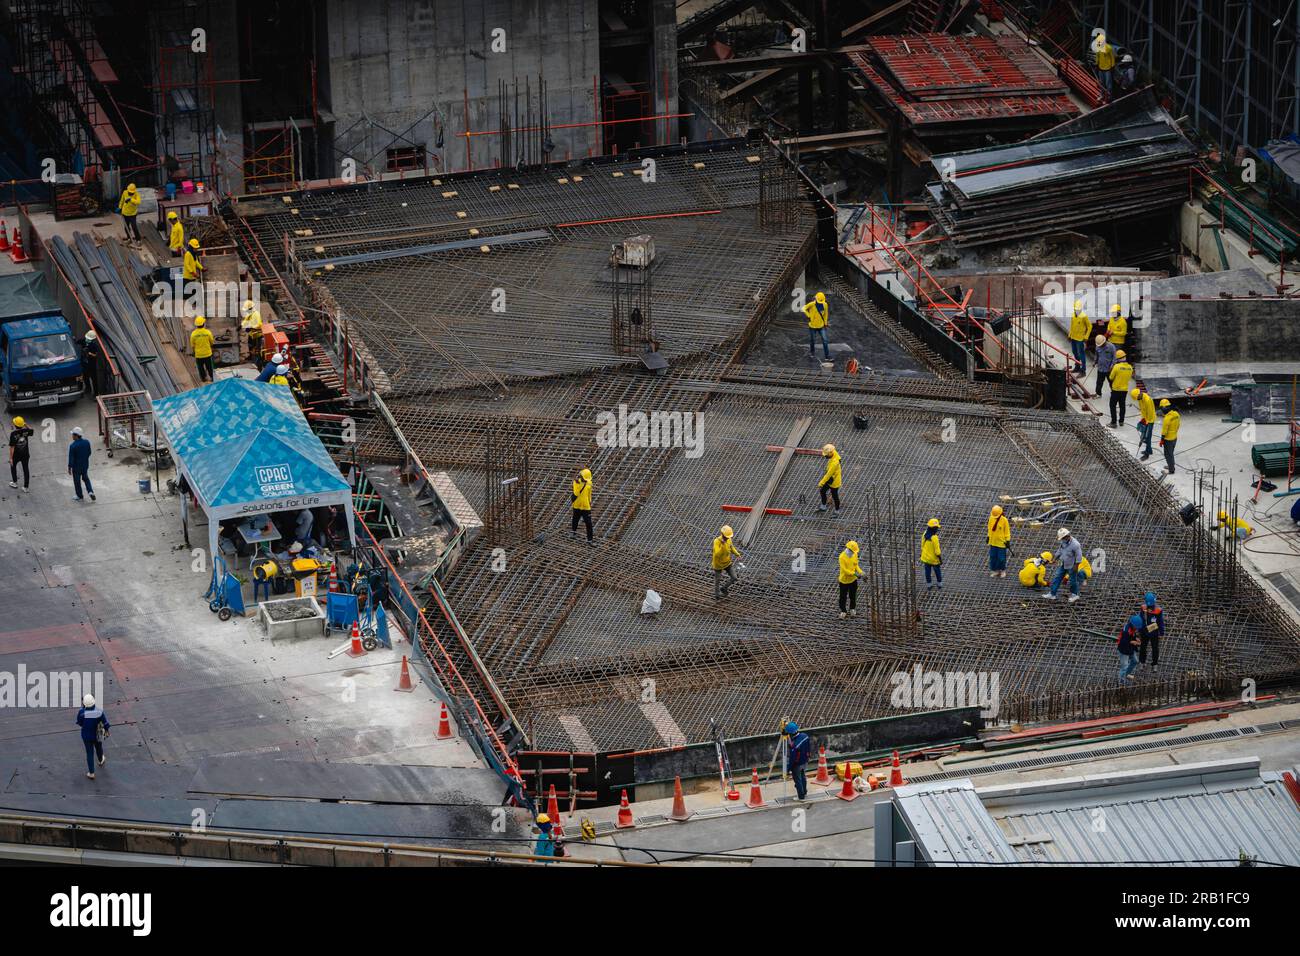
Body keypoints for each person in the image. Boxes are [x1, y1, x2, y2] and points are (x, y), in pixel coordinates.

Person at [1042, 527, 1083, 603]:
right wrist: (1055, 559)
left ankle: (1075, 595)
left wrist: (1076, 566)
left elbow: (1079, 556)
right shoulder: (1063, 542)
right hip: (1064, 563)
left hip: (1072, 565)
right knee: (1057, 577)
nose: (1062, 539)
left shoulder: (1075, 544)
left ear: (1067, 536)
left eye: (1063, 538)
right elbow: (1060, 550)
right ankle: (1052, 594)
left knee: (1073, 580)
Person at [76, 692, 110, 779]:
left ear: (84, 703)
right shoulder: (99, 712)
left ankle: (91, 773)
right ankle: (100, 760)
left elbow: (79, 723)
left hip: (86, 736)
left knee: (89, 753)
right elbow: (106, 724)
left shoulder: (81, 712)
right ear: (94, 702)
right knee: (99, 747)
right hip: (97, 735)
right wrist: (106, 730)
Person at [712, 525, 741, 598]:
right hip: (718, 564)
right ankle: (717, 594)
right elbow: (717, 554)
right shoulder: (716, 541)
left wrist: (737, 554)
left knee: (734, 577)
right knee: (717, 580)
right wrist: (722, 545)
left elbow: (731, 547)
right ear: (722, 534)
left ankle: (724, 588)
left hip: (727, 563)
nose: (727, 538)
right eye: (726, 537)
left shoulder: (729, 539)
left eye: (728, 537)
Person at [785, 721, 812, 801]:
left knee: (798, 780)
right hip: (804, 761)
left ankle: (801, 797)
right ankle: (804, 792)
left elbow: (792, 759)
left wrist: (788, 769)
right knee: (803, 777)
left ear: (790, 733)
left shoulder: (795, 746)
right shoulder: (805, 736)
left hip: (797, 764)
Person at [1138, 591, 1164, 669]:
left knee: (1152, 648)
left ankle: (1150, 663)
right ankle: (1145, 663)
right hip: (1148, 631)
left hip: (1150, 631)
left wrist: (1161, 632)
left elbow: (1160, 622)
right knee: (1146, 648)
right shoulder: (1144, 608)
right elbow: (1141, 619)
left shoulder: (1158, 610)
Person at [68, 426, 95, 502]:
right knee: (86, 479)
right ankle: (90, 491)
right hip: (85, 465)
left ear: (76, 435)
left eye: (73, 434)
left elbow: (71, 458)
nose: (72, 436)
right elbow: (89, 452)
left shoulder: (73, 446)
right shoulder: (86, 442)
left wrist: (69, 467)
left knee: (77, 482)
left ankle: (79, 495)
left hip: (76, 468)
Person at [1107, 350, 1133, 428]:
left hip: (1116, 390)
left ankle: (1113, 422)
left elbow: (1111, 377)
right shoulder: (1130, 367)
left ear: (1118, 359)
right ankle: (1121, 421)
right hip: (1124, 390)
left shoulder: (1116, 367)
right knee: (1122, 406)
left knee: (1112, 405)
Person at [837, 540, 862, 618]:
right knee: (843, 597)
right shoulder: (842, 557)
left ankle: (852, 608)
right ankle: (843, 610)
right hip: (844, 581)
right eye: (853, 551)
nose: (854, 552)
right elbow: (845, 570)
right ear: (849, 549)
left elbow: (856, 565)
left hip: (853, 580)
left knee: (853, 595)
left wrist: (861, 572)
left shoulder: (854, 554)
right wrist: (854, 574)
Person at [8, 415, 33, 491]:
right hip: (25, 454)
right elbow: (31, 430)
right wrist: (25, 424)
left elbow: (12, 447)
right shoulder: (26, 431)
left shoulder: (13, 434)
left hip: (16, 455)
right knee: (26, 469)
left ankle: (15, 482)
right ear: (21, 425)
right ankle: (26, 487)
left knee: (13, 467)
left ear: (15, 425)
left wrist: (11, 458)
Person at [804, 291, 830, 361]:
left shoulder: (825, 305)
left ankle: (827, 356)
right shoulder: (812, 304)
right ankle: (812, 353)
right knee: (812, 340)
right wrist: (809, 315)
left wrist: (825, 323)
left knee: (825, 341)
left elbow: (825, 314)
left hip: (821, 326)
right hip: (812, 327)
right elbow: (804, 308)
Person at [1131, 386, 1156, 460]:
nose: (1137, 400)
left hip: (1150, 420)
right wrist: (1142, 419)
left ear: (1139, 395)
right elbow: (1143, 410)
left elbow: (1150, 413)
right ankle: (1149, 450)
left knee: (1148, 437)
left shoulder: (1147, 400)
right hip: (1145, 419)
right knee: (1144, 436)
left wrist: (1147, 422)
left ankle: (1147, 454)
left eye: (1136, 398)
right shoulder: (1140, 399)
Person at [1117, 613, 1143, 682]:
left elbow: (1132, 636)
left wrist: (1136, 639)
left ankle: (1126, 674)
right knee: (1124, 666)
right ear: (1133, 625)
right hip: (1123, 650)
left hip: (1130, 649)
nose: (1137, 628)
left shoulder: (1132, 628)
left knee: (1135, 661)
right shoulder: (1126, 631)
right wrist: (1134, 642)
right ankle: (1121, 681)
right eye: (1136, 627)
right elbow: (1124, 642)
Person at [817, 443, 842, 516]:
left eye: (827, 455)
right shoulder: (834, 452)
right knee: (822, 491)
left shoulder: (834, 463)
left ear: (830, 453)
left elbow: (828, 475)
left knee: (835, 496)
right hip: (830, 479)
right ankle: (823, 505)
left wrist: (821, 483)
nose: (826, 456)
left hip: (834, 482)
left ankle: (837, 510)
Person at [1067, 300, 1091, 374]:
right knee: (1074, 352)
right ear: (1074, 309)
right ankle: (1077, 366)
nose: (1078, 311)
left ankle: (1083, 370)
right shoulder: (1073, 315)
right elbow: (1072, 326)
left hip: (1080, 339)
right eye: (1076, 309)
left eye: (1079, 309)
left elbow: (1090, 326)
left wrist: (1086, 337)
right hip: (1073, 338)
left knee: (1081, 354)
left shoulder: (1084, 316)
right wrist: (1069, 335)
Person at [570, 467, 593, 544]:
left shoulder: (589, 483)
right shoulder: (576, 482)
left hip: (586, 506)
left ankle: (590, 540)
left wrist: (590, 502)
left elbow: (589, 494)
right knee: (575, 519)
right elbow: (576, 493)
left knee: (589, 523)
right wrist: (578, 484)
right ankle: (573, 532)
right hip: (577, 505)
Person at [190, 315, 215, 382]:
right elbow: (212, 342)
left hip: (198, 355)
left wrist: (194, 352)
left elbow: (192, 345)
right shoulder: (208, 332)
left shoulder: (193, 334)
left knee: (200, 368)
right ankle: (212, 378)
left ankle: (203, 379)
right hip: (207, 354)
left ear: (196, 325)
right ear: (203, 324)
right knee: (209, 367)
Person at [987, 504, 1010, 578]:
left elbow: (1007, 532)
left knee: (1001, 558)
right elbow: (990, 529)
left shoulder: (1004, 520)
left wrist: (1008, 541)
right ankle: (995, 570)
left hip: (1001, 543)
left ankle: (1002, 570)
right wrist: (988, 536)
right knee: (993, 557)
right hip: (993, 542)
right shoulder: (991, 518)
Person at [1159, 399, 1180, 474]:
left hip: (1168, 439)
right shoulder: (1176, 414)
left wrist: (1162, 440)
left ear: (1164, 408)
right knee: (1171, 453)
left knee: (1168, 454)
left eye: (1161, 408)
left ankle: (1171, 470)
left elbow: (1164, 431)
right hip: (1174, 437)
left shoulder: (1167, 418)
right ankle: (1171, 465)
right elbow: (1178, 425)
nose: (1161, 410)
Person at [1093, 32, 1117, 98]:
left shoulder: (1109, 48)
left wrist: (1112, 66)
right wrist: (1096, 64)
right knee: (1102, 83)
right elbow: (1097, 56)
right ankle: (1102, 94)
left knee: (1108, 84)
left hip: (1108, 69)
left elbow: (1112, 58)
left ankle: (1109, 96)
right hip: (1101, 68)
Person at [921, 518, 942, 590]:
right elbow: (937, 551)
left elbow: (922, 545)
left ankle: (929, 585)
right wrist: (940, 558)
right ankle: (939, 584)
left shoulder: (925, 534)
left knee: (927, 572)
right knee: (937, 571)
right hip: (934, 560)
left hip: (926, 558)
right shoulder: (934, 538)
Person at [1093, 334, 1117, 399]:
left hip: (1109, 369)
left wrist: (1112, 366)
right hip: (1101, 368)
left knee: (1111, 382)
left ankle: (1114, 393)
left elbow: (1114, 358)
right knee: (1099, 382)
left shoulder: (1111, 346)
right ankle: (1098, 393)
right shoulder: (1097, 347)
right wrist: (1095, 362)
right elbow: (1096, 355)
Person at [82, 329, 102, 397]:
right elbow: (77, 342)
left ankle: (96, 394)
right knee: (85, 377)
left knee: (94, 379)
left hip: (92, 365)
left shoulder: (94, 346)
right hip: (85, 364)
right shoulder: (83, 341)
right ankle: (88, 389)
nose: (87, 340)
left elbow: (96, 355)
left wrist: (89, 353)